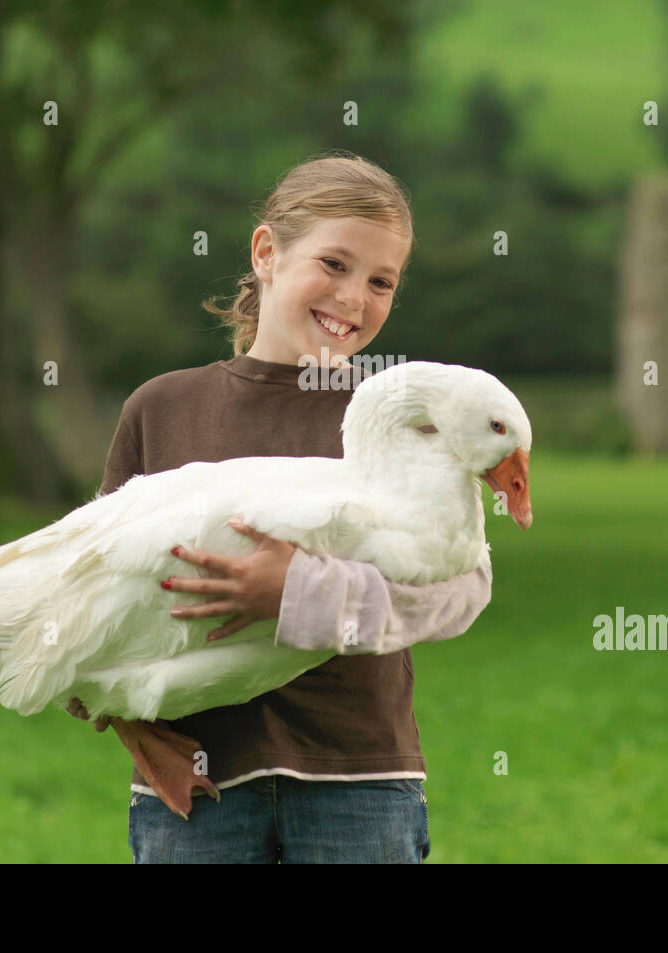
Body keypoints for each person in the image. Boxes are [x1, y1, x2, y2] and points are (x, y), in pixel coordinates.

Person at [71, 152, 492, 863]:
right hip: (197, 785)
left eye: (381, 280)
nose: (354, 297)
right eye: (334, 264)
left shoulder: (402, 421)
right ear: (267, 252)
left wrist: (300, 593)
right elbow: (81, 590)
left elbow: (460, 590)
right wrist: (129, 726)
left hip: (358, 781)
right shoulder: (162, 409)